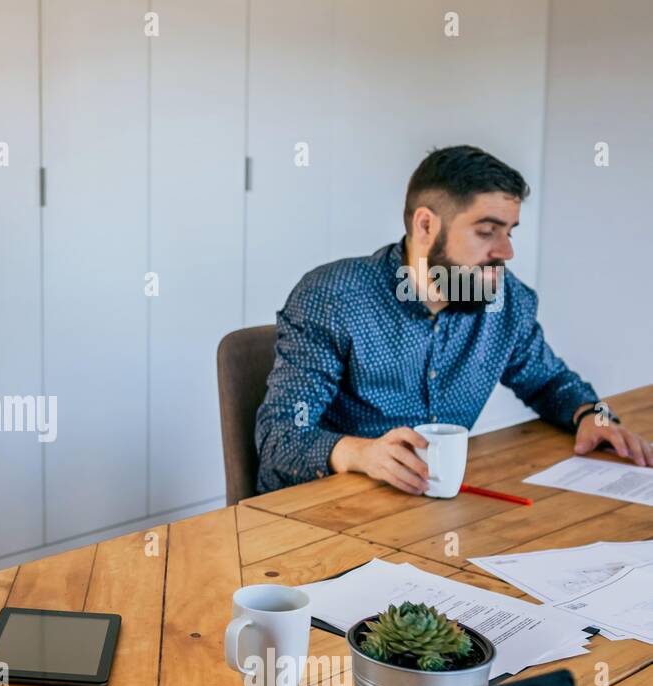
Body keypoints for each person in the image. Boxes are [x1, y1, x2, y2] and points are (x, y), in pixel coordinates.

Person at [254, 145, 651, 495]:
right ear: (426, 225)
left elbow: (552, 381)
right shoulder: (333, 297)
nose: (506, 251)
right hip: (323, 514)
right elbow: (281, 438)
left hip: (435, 512)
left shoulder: (506, 302)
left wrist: (596, 417)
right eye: (486, 232)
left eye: (510, 232)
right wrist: (361, 453)